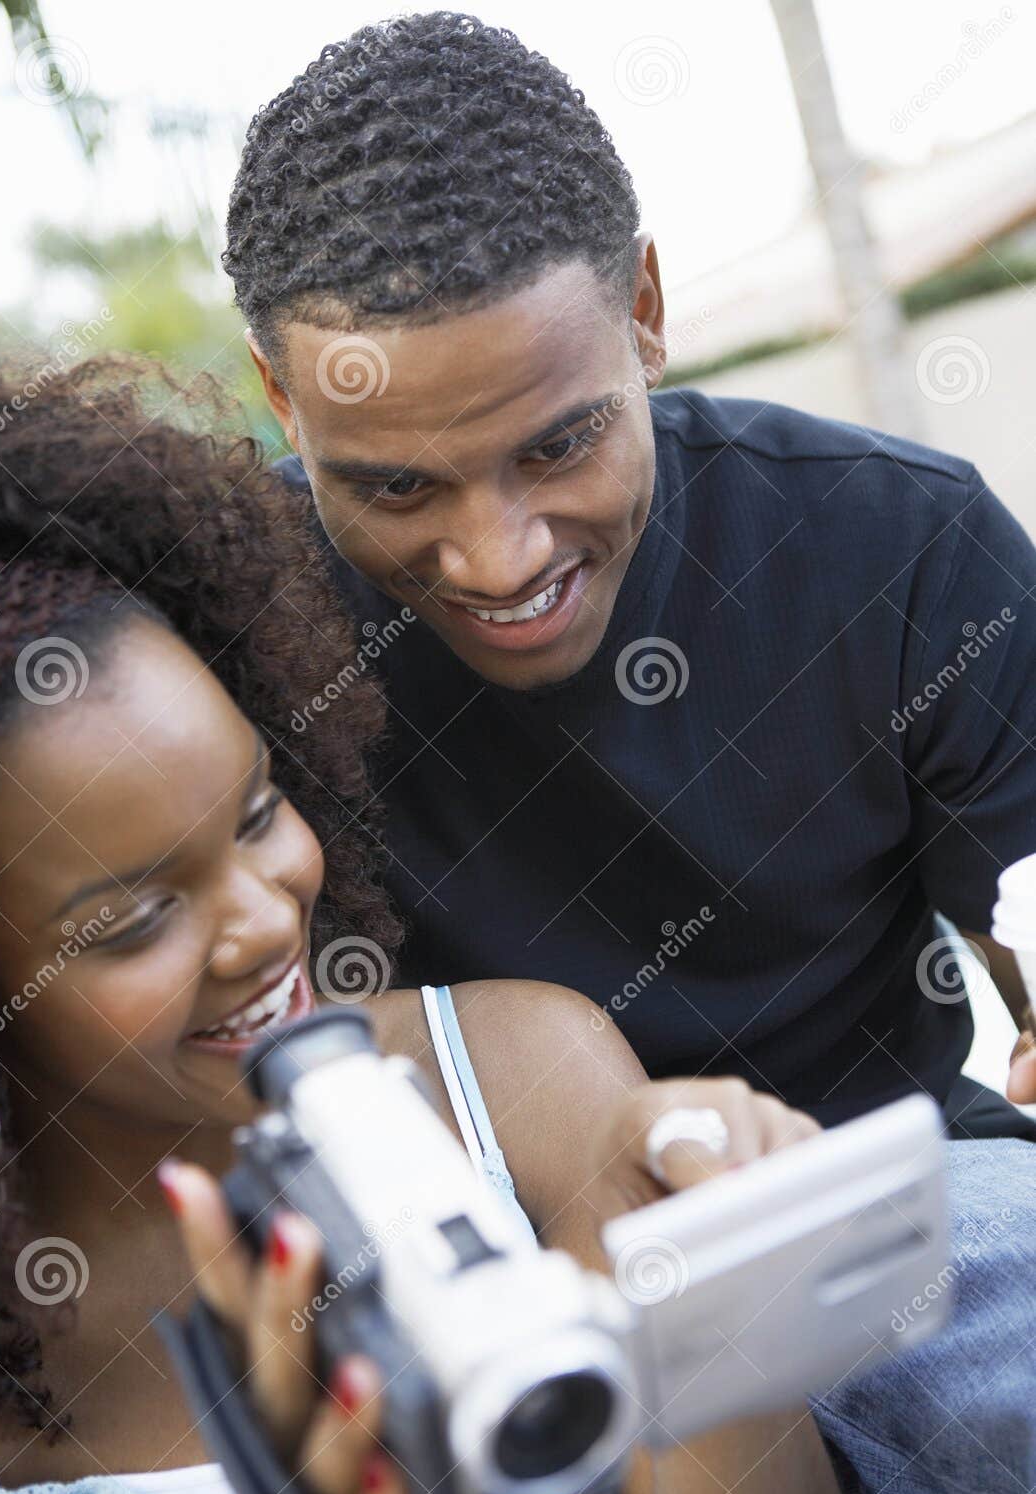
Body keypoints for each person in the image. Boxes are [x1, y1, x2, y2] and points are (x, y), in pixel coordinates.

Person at [0, 358, 849, 1494]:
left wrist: (719, 1297)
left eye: (258, 811)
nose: (261, 924)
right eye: (132, 918)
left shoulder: (522, 1080)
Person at [224, 11, 1036, 1136]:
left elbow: (1025, 927)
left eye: (556, 448)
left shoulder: (903, 547)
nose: (499, 560)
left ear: (644, 313)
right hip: (455, 1260)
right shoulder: (215, 631)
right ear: (282, 400)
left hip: (893, 1180)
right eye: (400, 488)